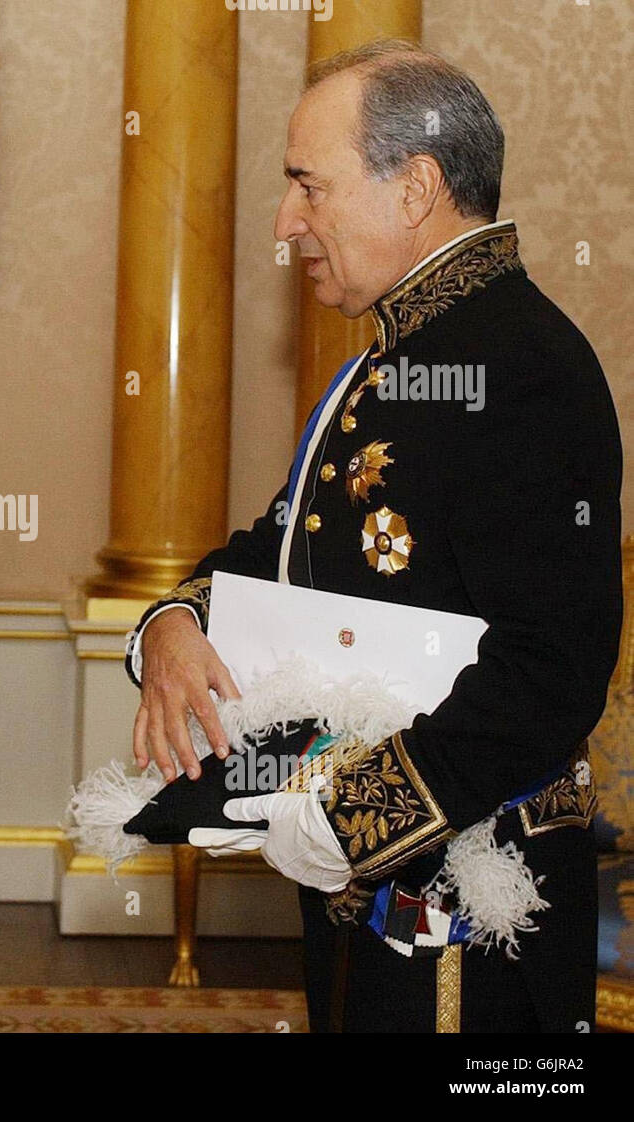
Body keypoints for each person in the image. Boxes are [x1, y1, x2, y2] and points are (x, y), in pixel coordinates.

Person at [126, 41, 621, 1032]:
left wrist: (354, 817)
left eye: (308, 185)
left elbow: (550, 669)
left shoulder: (518, 365)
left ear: (416, 187)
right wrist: (174, 625)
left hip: (476, 916)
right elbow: (281, 548)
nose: (285, 221)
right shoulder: (398, 361)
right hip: (378, 892)